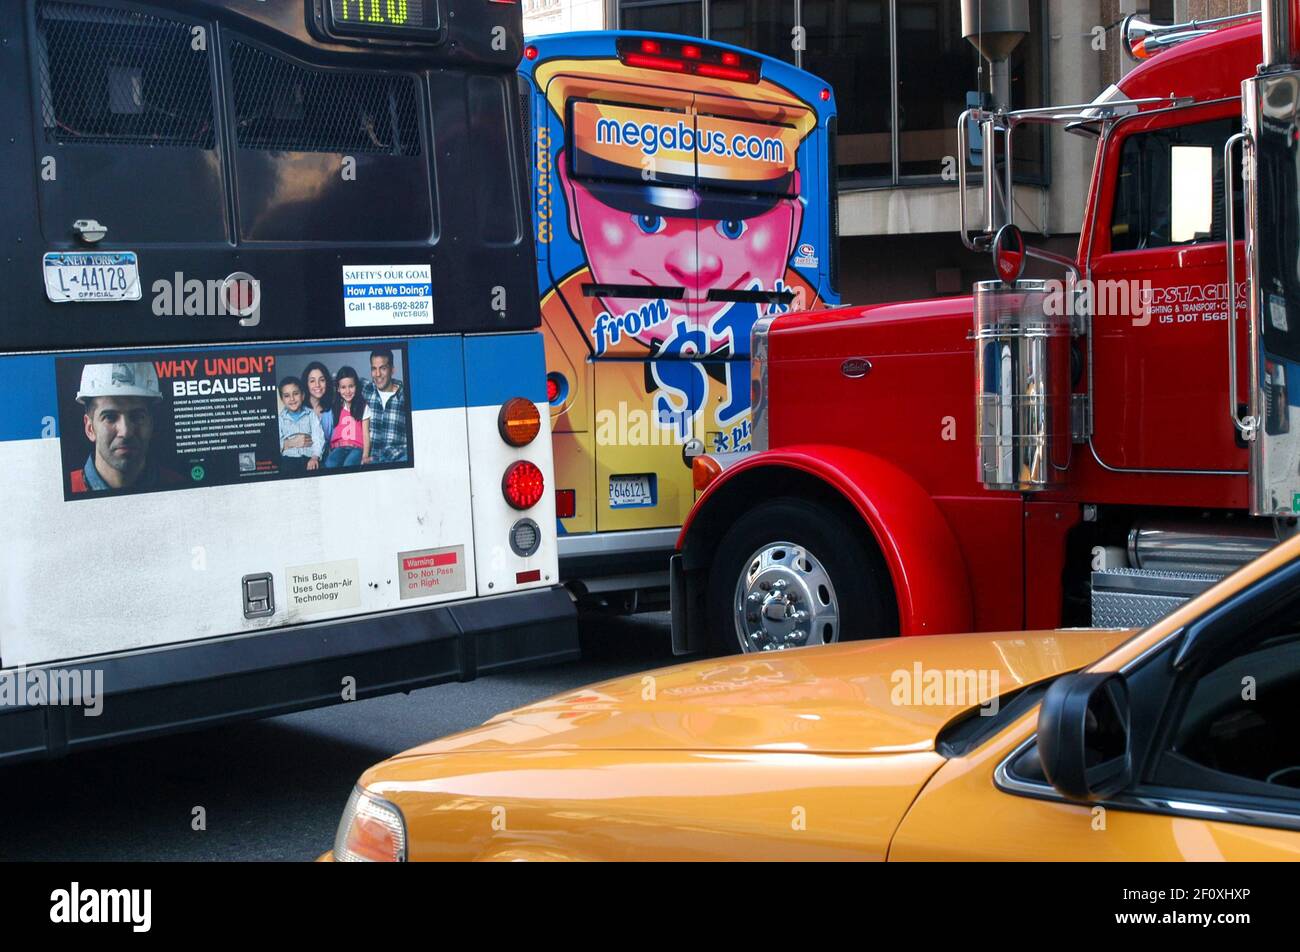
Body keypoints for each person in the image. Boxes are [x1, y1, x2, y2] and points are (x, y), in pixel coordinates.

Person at [70, 361, 179, 493]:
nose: (126, 432)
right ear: (90, 428)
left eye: (137, 417)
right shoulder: (63, 489)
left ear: (151, 424)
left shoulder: (180, 487)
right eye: (110, 417)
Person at [361, 348, 408, 464]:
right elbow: (338, 382)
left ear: (392, 370)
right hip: (369, 465)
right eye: (374, 369)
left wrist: (379, 459)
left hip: (395, 462)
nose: (377, 374)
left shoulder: (405, 396)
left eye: (383, 368)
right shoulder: (366, 389)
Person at [277, 376, 324, 473]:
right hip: (289, 459)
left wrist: (315, 457)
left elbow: (318, 438)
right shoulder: (280, 419)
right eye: (287, 396)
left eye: (296, 394)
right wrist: (289, 443)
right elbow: (275, 443)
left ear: (302, 396)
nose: (292, 399)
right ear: (282, 400)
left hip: (309, 458)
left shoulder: (311, 415)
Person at [325, 366, 370, 468]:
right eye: (343, 387)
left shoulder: (363, 406)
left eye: (351, 386)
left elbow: (366, 433)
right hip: (339, 447)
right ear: (338, 389)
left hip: (357, 447)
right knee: (330, 463)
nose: (348, 391)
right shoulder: (336, 407)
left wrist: (365, 455)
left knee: (349, 464)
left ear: (356, 386)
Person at [301, 360, 336, 446]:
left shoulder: (330, 412)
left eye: (322, 380)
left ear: (327, 382)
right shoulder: (298, 408)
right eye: (312, 381)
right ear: (306, 384)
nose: (317, 385)